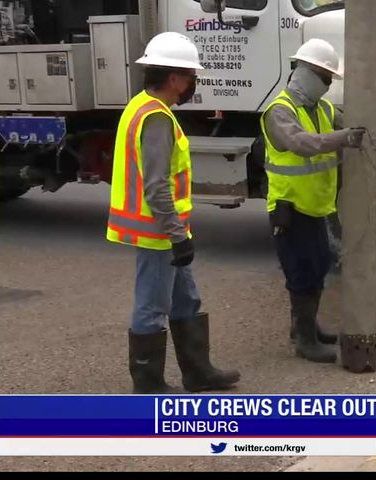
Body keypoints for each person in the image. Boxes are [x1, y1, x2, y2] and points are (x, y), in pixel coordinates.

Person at [107, 32, 240, 393]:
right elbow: (156, 186)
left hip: (165, 230)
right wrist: (177, 235)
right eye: (190, 76)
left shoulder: (142, 105)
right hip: (158, 232)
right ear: (174, 78)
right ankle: (148, 384)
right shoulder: (157, 119)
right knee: (152, 306)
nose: (192, 83)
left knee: (186, 298)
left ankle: (198, 373)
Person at [261, 39, 376, 364]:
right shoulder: (280, 111)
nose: (325, 85)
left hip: (315, 206)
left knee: (319, 265)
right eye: (322, 76)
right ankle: (305, 339)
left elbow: (350, 127)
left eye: (328, 79)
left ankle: (305, 327)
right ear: (303, 72)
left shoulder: (323, 110)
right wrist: (343, 139)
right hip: (289, 207)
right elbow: (300, 143)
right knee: (301, 271)